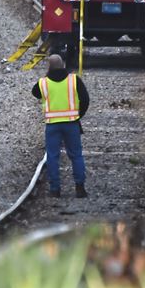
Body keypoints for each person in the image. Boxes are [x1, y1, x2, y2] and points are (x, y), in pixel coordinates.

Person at [32, 53, 90, 197]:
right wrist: (78, 115)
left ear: (49, 67)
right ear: (63, 65)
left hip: (52, 126)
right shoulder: (74, 80)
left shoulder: (43, 83)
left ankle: (55, 190)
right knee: (76, 155)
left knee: (52, 156)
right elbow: (85, 99)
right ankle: (80, 188)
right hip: (71, 124)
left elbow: (35, 93)